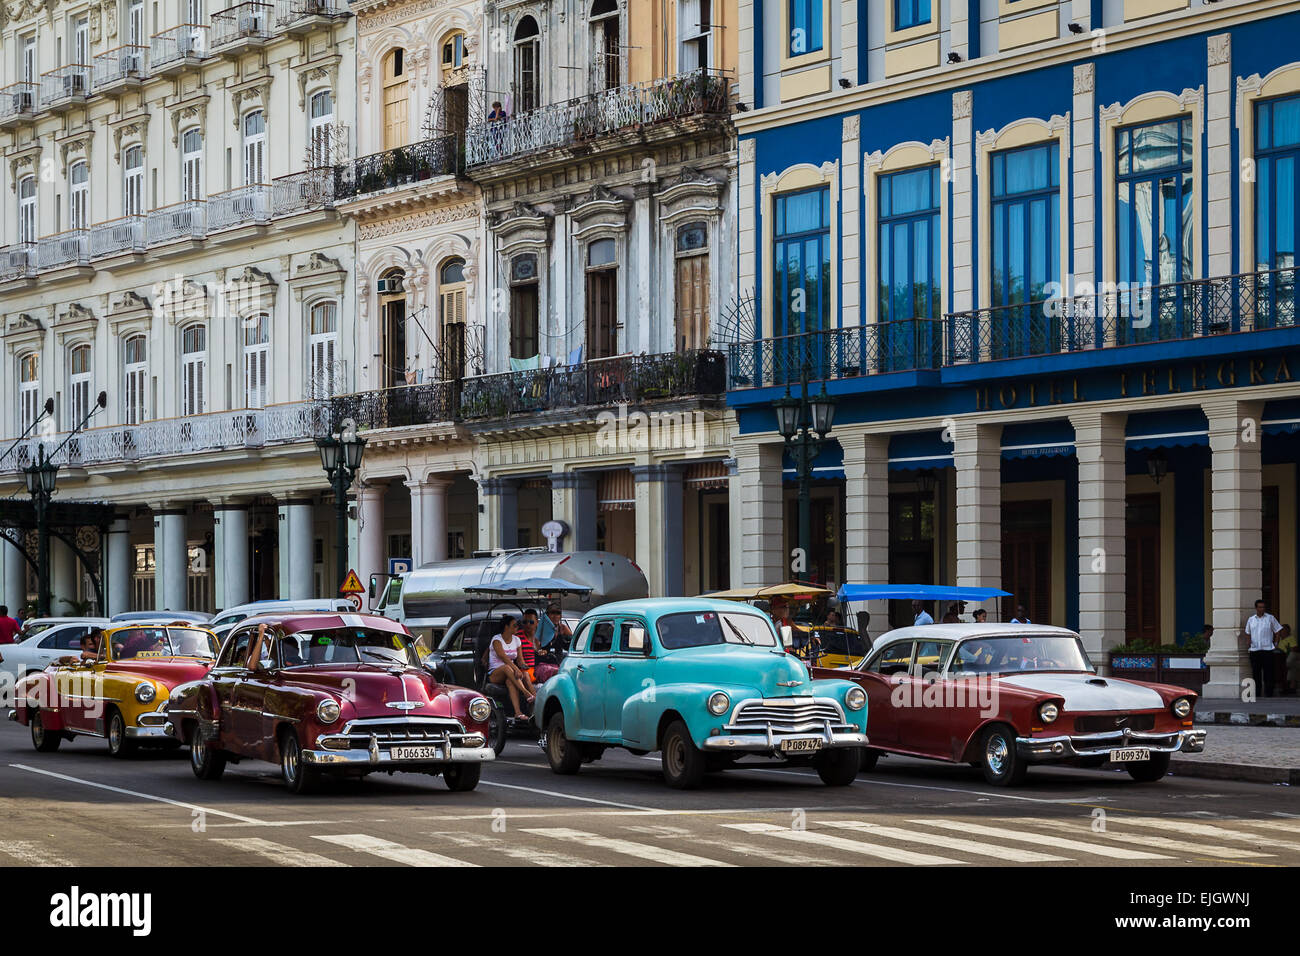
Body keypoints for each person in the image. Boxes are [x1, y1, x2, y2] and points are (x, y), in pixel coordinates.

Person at [487, 616, 536, 720]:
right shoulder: (497, 640)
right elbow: (504, 658)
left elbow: (520, 660)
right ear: (506, 627)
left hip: (510, 673)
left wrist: (524, 666)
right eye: (514, 625)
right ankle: (526, 693)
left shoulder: (517, 640)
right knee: (506, 668)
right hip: (496, 673)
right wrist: (516, 669)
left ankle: (525, 709)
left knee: (518, 677)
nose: (517, 627)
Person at [1242, 599, 1286, 698]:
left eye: (1263, 607)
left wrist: (1276, 643)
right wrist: (1248, 642)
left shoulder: (1270, 618)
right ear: (1256, 608)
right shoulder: (1251, 619)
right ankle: (1257, 694)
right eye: (1260, 607)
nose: (1262, 609)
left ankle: (1269, 693)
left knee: (1269, 673)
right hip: (1255, 650)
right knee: (1256, 673)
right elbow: (1247, 632)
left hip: (1268, 650)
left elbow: (1278, 630)